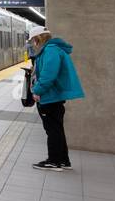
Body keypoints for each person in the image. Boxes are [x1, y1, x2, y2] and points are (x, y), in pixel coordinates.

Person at [29, 29, 84, 170]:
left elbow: (49, 75)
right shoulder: (53, 50)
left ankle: (53, 161)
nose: (33, 44)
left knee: (52, 130)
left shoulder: (51, 51)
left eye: (33, 41)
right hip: (54, 97)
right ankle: (63, 161)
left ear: (39, 38)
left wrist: (37, 90)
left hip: (50, 97)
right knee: (57, 130)